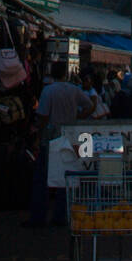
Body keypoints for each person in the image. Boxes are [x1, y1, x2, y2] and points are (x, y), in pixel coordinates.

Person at [23, 61, 95, 228]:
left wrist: (39, 133)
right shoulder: (74, 90)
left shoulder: (48, 91)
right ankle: (60, 215)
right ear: (66, 73)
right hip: (69, 136)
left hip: (51, 137)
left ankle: (39, 217)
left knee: (43, 178)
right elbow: (91, 105)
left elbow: (43, 115)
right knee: (65, 178)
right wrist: (78, 119)